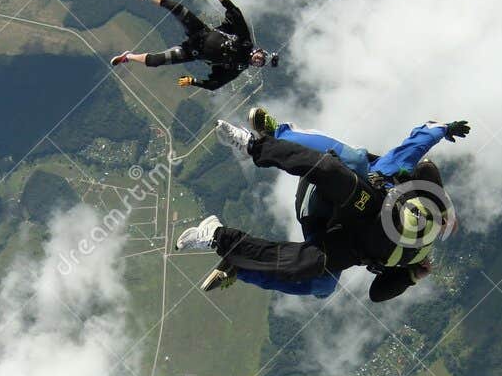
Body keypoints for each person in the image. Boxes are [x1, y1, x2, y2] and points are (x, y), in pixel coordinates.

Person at [174, 126, 453, 302]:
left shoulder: (411, 252)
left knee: (312, 275)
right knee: (342, 166)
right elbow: (421, 156)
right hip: (318, 204)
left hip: (345, 241)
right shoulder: (382, 191)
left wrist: (412, 276)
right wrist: (254, 146)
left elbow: (377, 293)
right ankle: (270, 139)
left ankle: (221, 242)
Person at [109, 0, 278, 90]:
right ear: (259, 50)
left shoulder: (237, 67)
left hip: (192, 52)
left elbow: (215, 84)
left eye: (260, 63)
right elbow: (237, 16)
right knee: (175, 7)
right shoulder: (245, 41)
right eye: (261, 57)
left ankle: (128, 57)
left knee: (155, 61)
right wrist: (224, 1)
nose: (257, 60)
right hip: (201, 31)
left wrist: (193, 82)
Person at [246, 107, 470, 182]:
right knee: (355, 159)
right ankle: (276, 133)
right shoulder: (396, 168)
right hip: (359, 174)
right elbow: (420, 141)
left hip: (356, 213)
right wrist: (445, 128)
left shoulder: (415, 220)